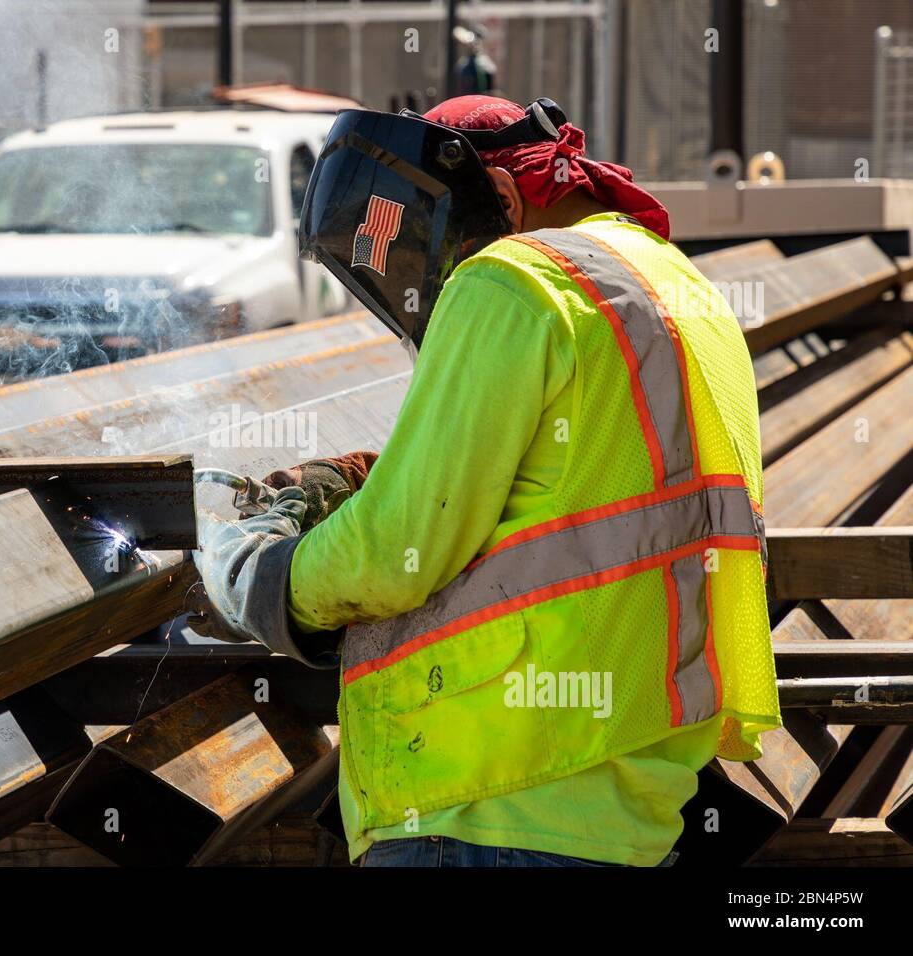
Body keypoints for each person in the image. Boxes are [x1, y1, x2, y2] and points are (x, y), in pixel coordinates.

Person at [193, 95, 780, 867]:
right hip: (630, 806)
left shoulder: (515, 276)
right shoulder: (680, 287)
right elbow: (586, 490)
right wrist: (401, 473)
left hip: (483, 806)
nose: (446, 282)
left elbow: (393, 554)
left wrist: (257, 573)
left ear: (502, 199)